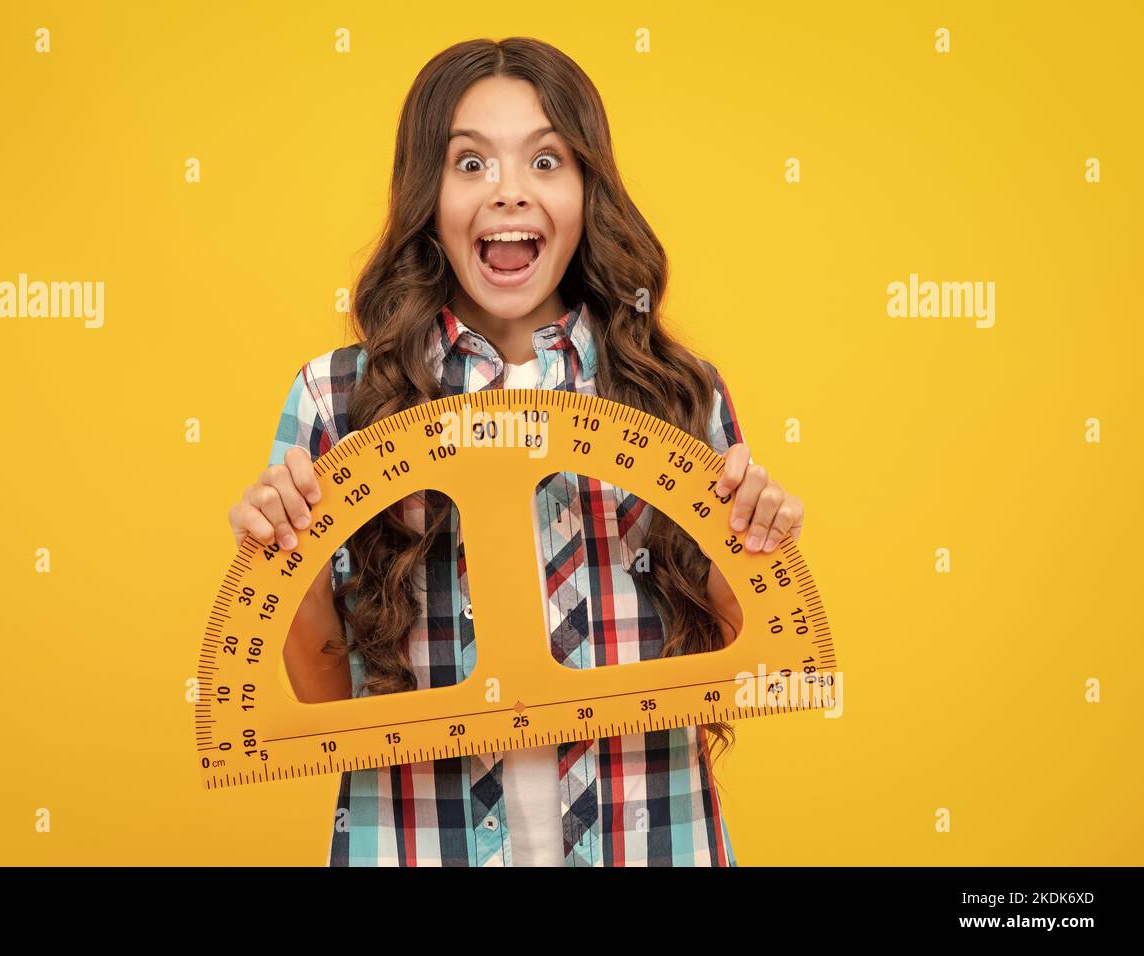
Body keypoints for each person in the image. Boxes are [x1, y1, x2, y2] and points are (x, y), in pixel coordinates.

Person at [227, 37, 805, 866]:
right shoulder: (334, 398)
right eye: (469, 164)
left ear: (586, 190)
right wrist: (282, 564)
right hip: (417, 844)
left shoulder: (678, 393)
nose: (507, 193)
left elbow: (746, 663)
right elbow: (327, 701)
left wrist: (757, 545)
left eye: (545, 160)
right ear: (425, 195)